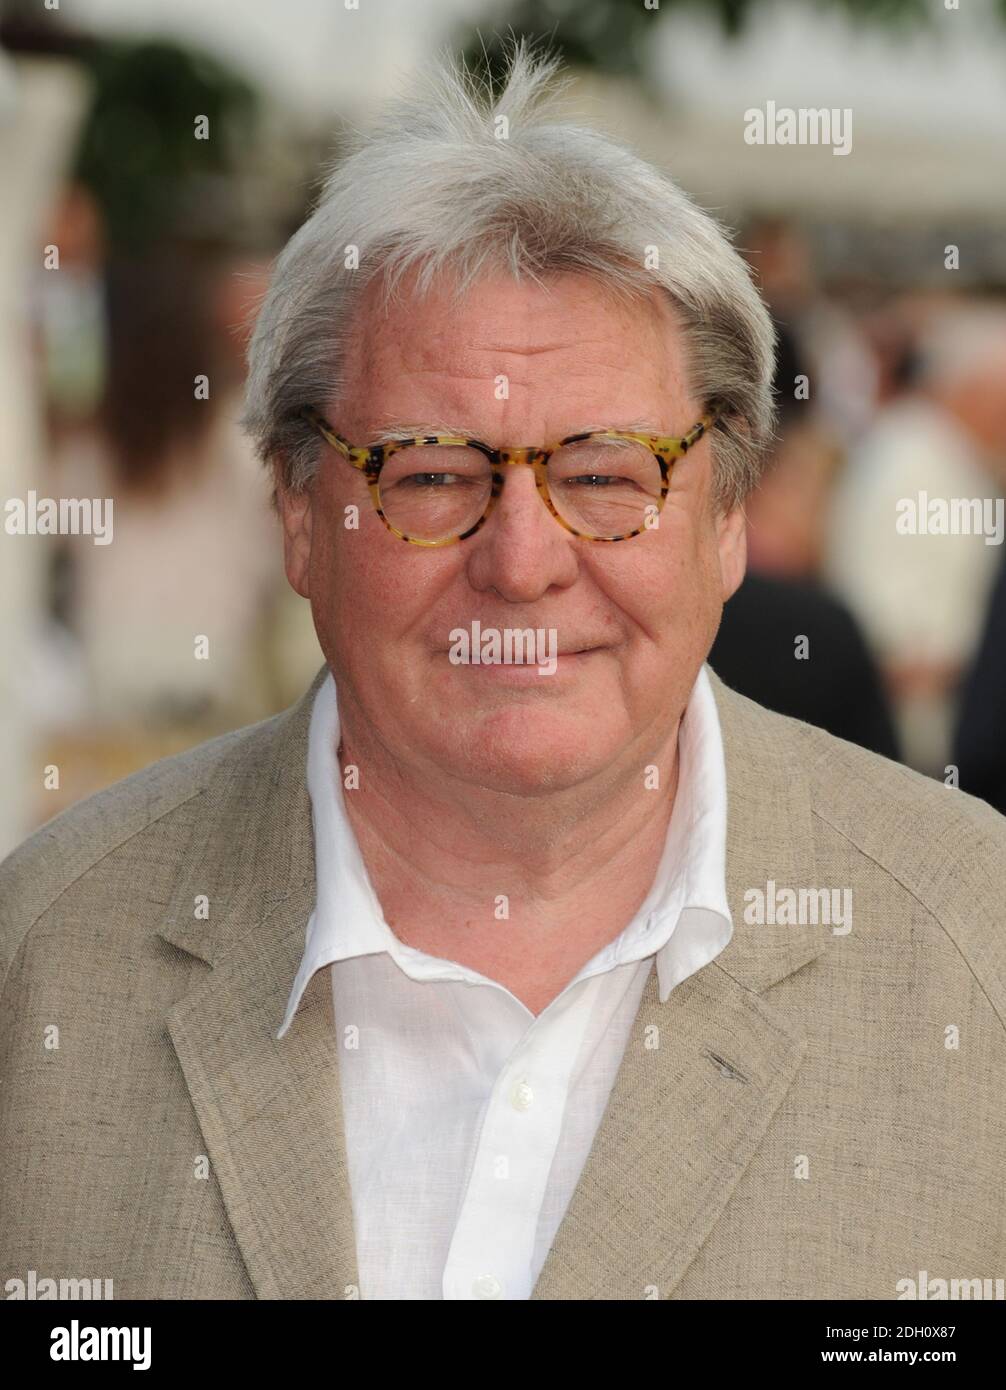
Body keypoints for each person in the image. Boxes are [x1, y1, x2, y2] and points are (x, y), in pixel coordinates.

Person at [2, 44, 1004, 1302]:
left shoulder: (978, 947)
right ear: (299, 515)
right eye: (429, 473)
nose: (522, 562)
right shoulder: (42, 955)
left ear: (730, 517)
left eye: (604, 474)